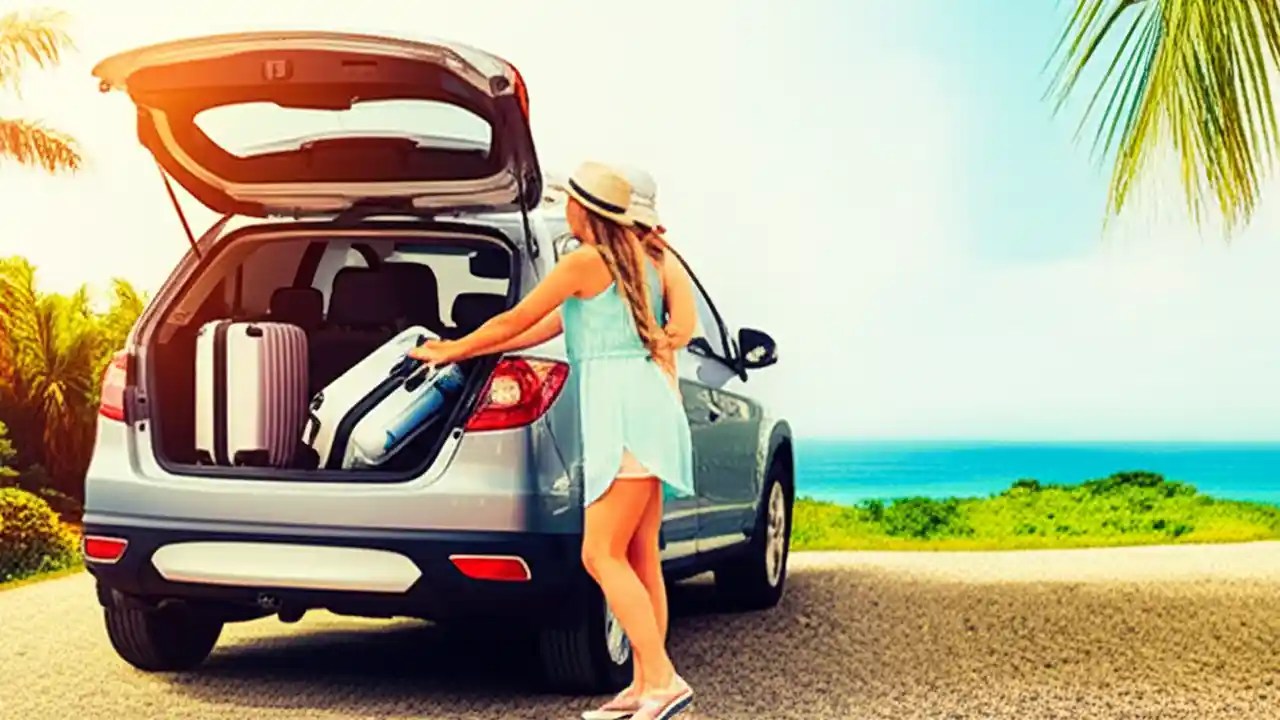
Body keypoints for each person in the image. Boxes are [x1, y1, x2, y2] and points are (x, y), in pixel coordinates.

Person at [408, 161, 697, 720]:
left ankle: (662, 680)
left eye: (569, 201)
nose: (564, 208)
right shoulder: (649, 263)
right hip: (652, 407)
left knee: (600, 552)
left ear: (582, 211)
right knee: (639, 555)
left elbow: (514, 319)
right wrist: (478, 349)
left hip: (624, 416)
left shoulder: (584, 263)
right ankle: (643, 684)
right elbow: (543, 329)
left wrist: (449, 349)